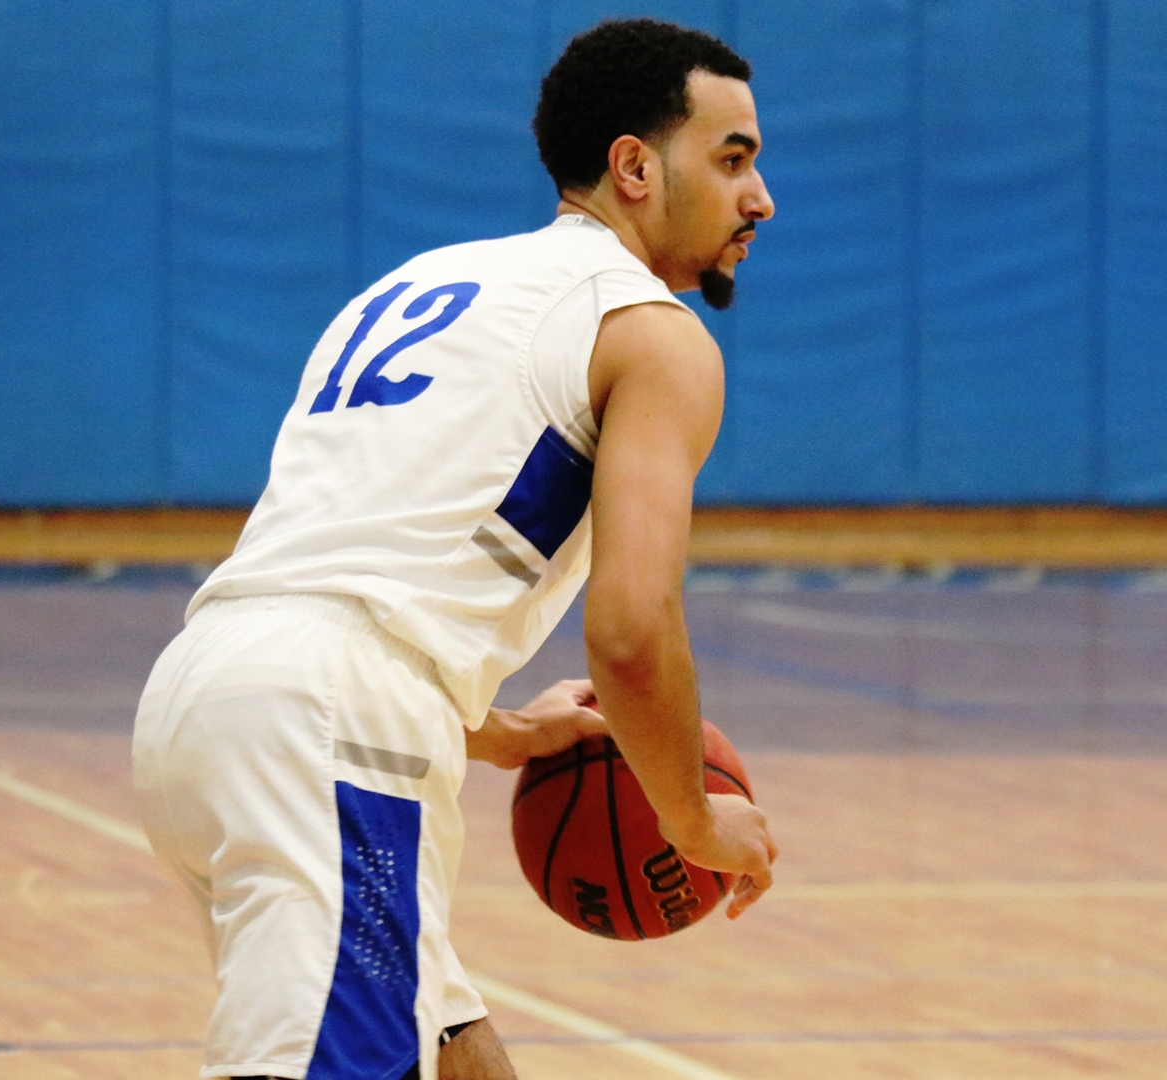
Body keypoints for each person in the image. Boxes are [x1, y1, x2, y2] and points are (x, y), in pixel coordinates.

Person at [132, 18, 776, 1080]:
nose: (760, 198)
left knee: (455, 1054)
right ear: (634, 168)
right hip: (334, 734)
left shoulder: (428, 280)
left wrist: (499, 727)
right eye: (733, 157)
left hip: (207, 699)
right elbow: (628, 631)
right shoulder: (653, 333)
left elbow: (349, 569)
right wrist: (691, 820)